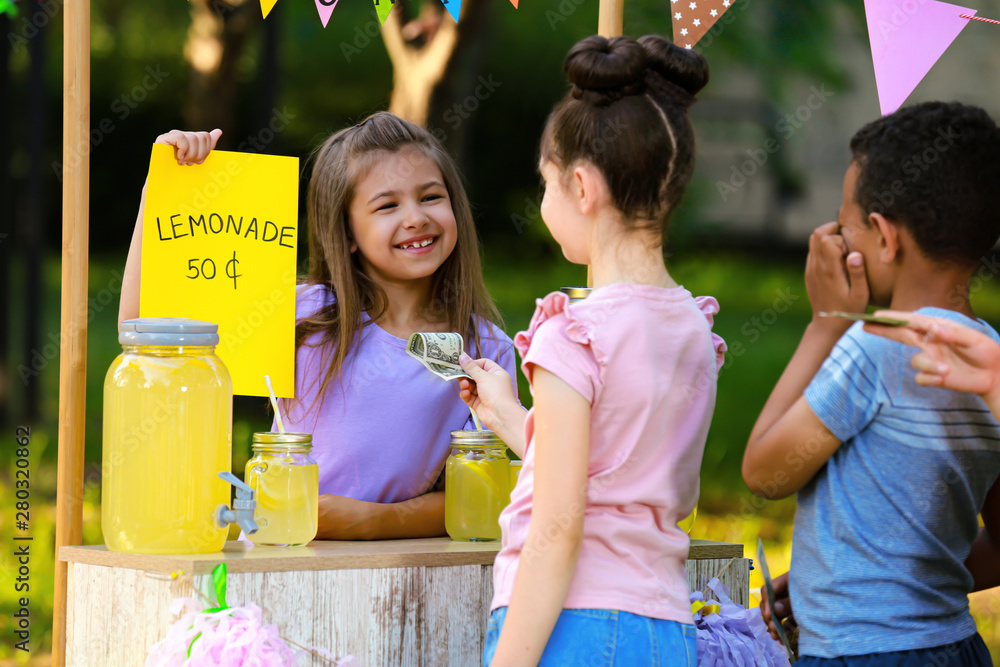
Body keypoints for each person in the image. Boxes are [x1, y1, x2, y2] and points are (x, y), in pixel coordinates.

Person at [118, 112, 517, 540]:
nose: (416, 217)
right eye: (387, 205)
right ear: (345, 232)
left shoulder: (484, 349)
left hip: (411, 575)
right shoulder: (301, 314)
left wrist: (373, 522)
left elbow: (485, 498)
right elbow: (144, 335)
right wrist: (161, 192)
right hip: (281, 565)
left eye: (431, 197)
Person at [456, 34, 726, 666]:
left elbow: (557, 528)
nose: (544, 200)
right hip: (663, 629)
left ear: (581, 186)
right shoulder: (692, 327)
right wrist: (503, 414)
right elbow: (608, 470)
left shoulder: (573, 332)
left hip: (575, 627)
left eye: (546, 183)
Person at [744, 101, 1000, 665]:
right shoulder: (989, 359)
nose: (836, 238)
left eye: (845, 222)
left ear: (884, 237)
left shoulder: (872, 350)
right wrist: (840, 582)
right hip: (954, 648)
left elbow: (764, 471)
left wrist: (824, 325)